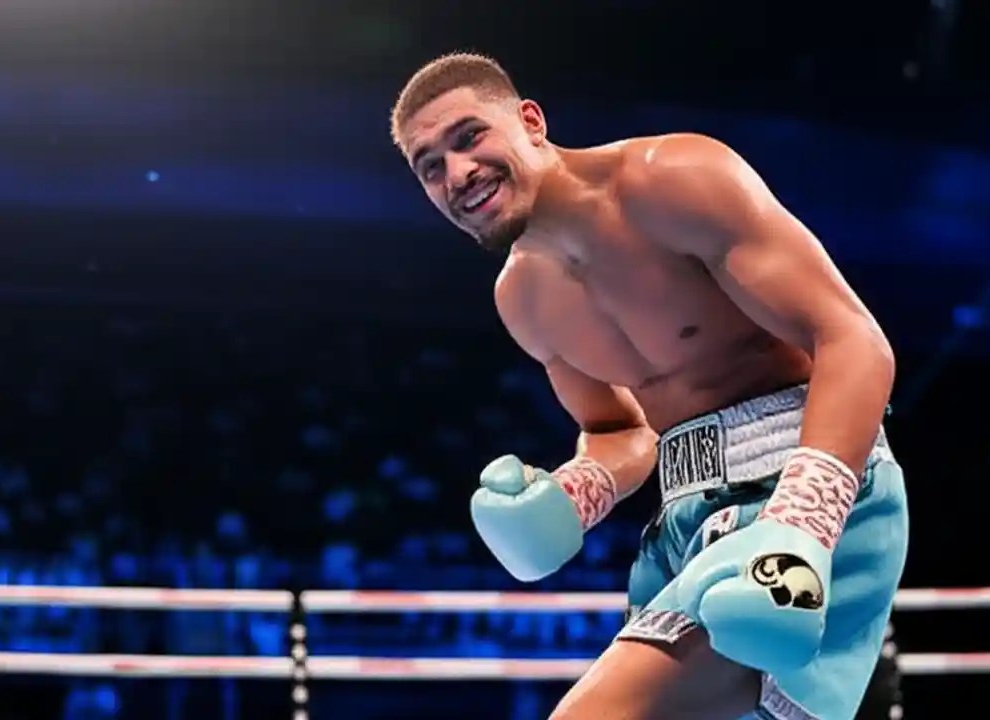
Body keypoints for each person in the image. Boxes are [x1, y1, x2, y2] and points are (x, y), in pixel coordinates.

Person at [390, 52, 909, 720]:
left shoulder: (673, 179)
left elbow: (854, 341)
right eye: (430, 167)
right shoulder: (522, 297)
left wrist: (802, 526)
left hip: (807, 491)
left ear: (530, 121)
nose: (457, 173)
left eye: (469, 137)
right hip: (684, 525)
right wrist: (576, 493)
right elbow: (620, 430)